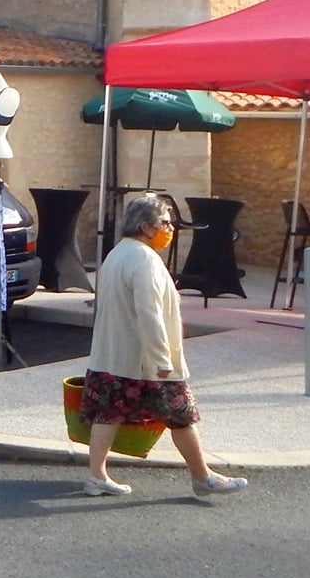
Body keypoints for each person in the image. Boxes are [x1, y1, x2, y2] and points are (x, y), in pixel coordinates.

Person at [80, 193, 247, 500]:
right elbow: (149, 312)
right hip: (146, 362)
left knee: (107, 413)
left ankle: (96, 475)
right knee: (182, 416)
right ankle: (202, 477)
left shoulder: (117, 254)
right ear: (146, 227)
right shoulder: (145, 260)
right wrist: (161, 358)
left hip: (112, 356)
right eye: (166, 223)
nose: (171, 229)